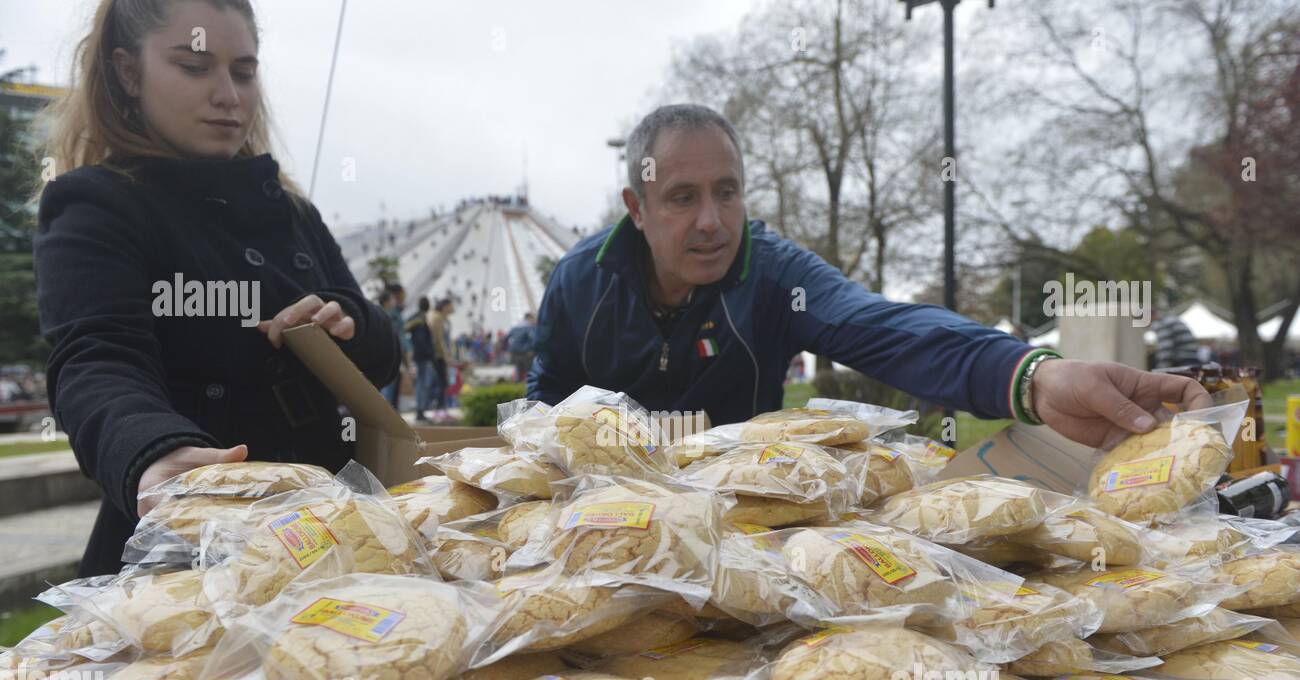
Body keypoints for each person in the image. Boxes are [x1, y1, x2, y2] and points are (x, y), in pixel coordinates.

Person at [528, 105, 1208, 448]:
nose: (712, 220)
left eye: (727, 191)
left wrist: (1036, 376)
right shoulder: (576, 283)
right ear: (636, 209)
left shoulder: (771, 271)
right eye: (683, 198)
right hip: (604, 530)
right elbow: (544, 411)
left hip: (731, 532)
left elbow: (885, 329)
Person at [34, 0, 399, 577]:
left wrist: (347, 319)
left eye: (245, 71)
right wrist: (153, 449)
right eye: (195, 67)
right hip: (190, 544)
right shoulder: (95, 203)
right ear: (128, 72)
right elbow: (96, 359)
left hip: (333, 534)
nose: (229, 94)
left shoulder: (294, 210)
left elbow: (381, 360)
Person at [406, 295, 436, 423]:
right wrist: (429, 353)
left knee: (422, 382)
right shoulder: (420, 319)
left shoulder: (417, 318)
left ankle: (421, 409)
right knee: (422, 383)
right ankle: (420, 410)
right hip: (423, 356)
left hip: (419, 355)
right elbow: (421, 339)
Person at [378, 282, 409, 408]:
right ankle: (387, 412)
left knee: (391, 385)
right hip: (392, 352)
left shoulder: (385, 313)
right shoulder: (392, 315)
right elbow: (398, 335)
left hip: (392, 352)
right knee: (390, 385)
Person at [428, 297, 453, 418]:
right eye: (450, 305)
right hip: (438, 356)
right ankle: (439, 408)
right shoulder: (437, 317)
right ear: (445, 306)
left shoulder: (441, 318)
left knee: (442, 382)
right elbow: (439, 339)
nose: (452, 308)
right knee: (441, 382)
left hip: (439, 355)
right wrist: (445, 356)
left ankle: (441, 407)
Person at [506, 312, 538, 383]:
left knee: (519, 371)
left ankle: (518, 387)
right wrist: (533, 350)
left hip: (515, 353)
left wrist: (508, 349)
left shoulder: (515, 327)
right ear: (529, 318)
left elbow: (507, 337)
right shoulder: (529, 327)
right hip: (526, 353)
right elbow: (533, 339)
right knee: (529, 371)